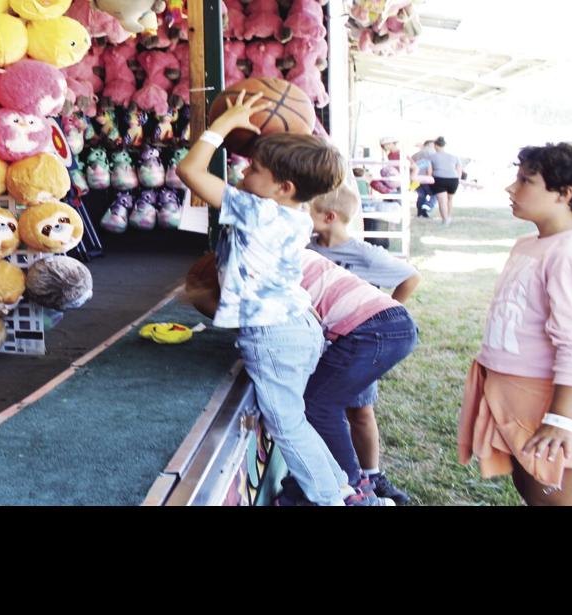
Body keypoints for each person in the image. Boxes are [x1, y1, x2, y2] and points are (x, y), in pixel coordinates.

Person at [175, 92, 379, 506]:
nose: (244, 173)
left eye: (253, 169)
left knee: (286, 424)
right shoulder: (294, 212)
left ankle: (329, 499)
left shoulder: (259, 211)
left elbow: (189, 170)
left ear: (284, 187)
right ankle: (342, 488)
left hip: (275, 333)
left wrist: (223, 125)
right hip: (299, 324)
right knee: (295, 419)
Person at [183, 241, 417, 508]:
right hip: (382, 323)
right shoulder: (282, 254)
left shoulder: (261, 276)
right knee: (319, 403)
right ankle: (337, 483)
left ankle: (350, 491)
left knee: (317, 407)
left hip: (368, 330)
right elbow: (313, 316)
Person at [457, 143, 572, 506]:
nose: (512, 188)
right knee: (528, 487)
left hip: (542, 397)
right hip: (506, 390)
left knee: (551, 494)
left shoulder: (566, 252)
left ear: (565, 194)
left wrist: (560, 418)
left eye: (526, 181)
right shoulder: (527, 244)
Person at [306, 184, 421, 504]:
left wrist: (388, 305)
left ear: (329, 216)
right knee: (326, 407)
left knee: (359, 410)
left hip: (358, 342)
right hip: (319, 345)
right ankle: (334, 471)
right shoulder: (308, 248)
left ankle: (370, 476)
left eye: (307, 210)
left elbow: (410, 276)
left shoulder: (363, 253)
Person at [425, 136, 465, 225]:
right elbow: (459, 168)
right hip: (453, 179)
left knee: (442, 200)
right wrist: (457, 178)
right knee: (450, 199)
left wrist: (429, 178)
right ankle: (449, 216)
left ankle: (445, 219)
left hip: (439, 179)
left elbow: (429, 170)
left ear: (435, 145)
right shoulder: (454, 156)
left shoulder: (431, 156)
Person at [412, 140, 437, 217]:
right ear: (430, 144)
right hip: (427, 178)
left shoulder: (415, 155)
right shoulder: (433, 153)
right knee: (435, 194)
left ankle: (420, 212)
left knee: (421, 195)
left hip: (415, 179)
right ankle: (427, 207)